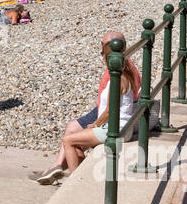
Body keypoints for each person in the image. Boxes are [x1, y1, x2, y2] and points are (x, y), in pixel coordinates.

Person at [31, 31, 142, 183]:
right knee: (76, 147)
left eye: (103, 53)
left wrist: (95, 124)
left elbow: (111, 109)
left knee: (68, 140)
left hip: (115, 127)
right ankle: (80, 177)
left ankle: (75, 183)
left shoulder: (118, 77)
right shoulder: (127, 71)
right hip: (120, 125)